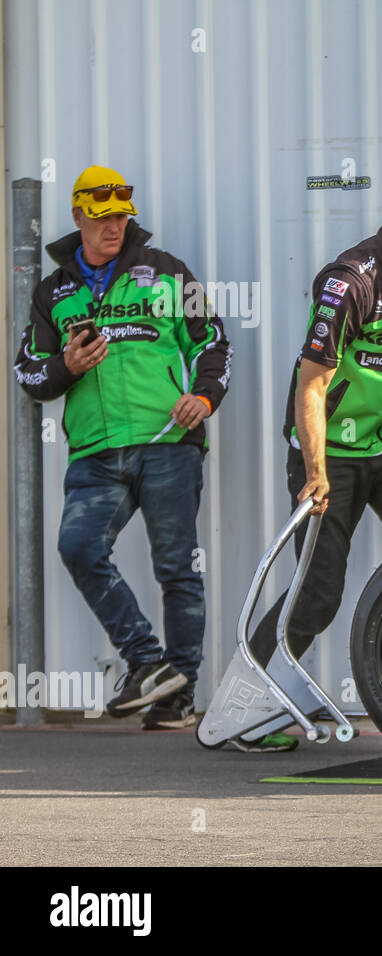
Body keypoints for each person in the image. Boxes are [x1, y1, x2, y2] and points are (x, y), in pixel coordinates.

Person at [233, 172, 382, 753]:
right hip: (331, 455)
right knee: (316, 594)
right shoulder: (353, 279)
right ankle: (244, 710)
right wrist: (315, 470)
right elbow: (312, 385)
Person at [13, 164, 232, 729]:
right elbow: (30, 375)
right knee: (78, 548)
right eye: (103, 216)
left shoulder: (167, 272)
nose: (115, 227)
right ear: (79, 215)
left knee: (176, 568)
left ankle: (176, 700)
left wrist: (204, 399)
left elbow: (214, 342)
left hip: (168, 442)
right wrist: (68, 365)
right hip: (94, 451)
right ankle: (147, 661)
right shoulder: (52, 291)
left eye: (122, 217)